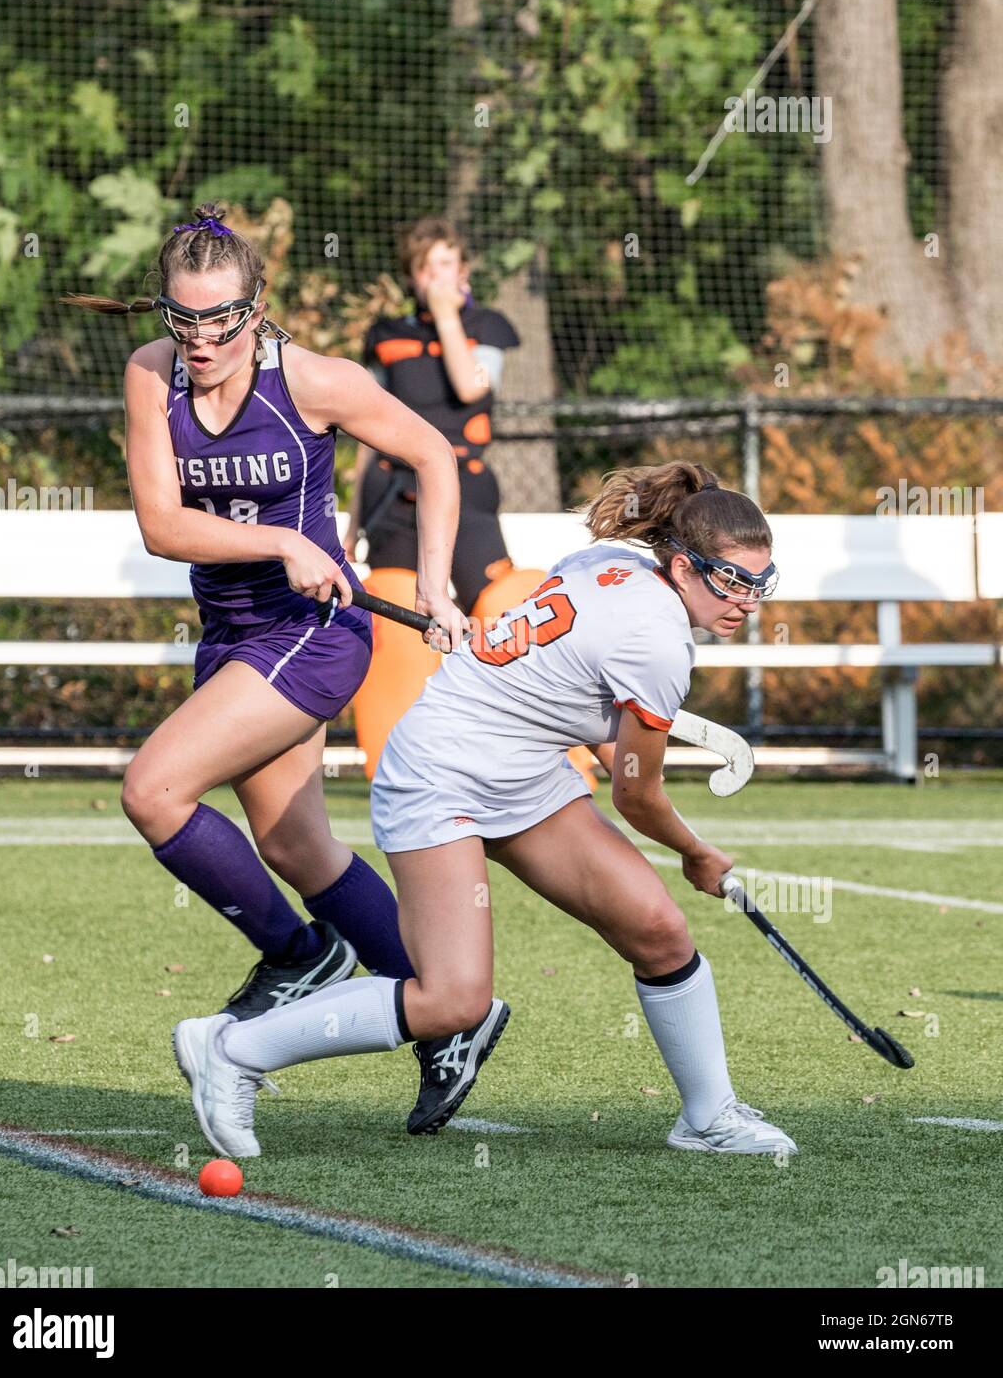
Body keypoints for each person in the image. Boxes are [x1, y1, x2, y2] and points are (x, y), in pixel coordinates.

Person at [174, 461, 798, 1159]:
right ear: (683, 567)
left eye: (757, 582)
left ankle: (708, 1117)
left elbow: (576, 701)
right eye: (730, 580)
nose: (745, 600)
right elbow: (635, 794)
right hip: (439, 770)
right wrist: (695, 852)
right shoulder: (660, 643)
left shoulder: (605, 564)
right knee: (454, 1001)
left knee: (655, 928)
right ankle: (231, 1050)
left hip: (522, 768)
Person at [62, 201, 509, 1139]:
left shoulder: (313, 380)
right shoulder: (153, 377)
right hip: (230, 632)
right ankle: (452, 1019)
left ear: (257, 308)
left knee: (154, 790)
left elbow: (433, 453)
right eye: (182, 318)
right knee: (298, 848)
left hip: (314, 632)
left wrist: (434, 584)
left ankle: (303, 956)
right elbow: (161, 522)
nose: (202, 338)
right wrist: (273, 537)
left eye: (221, 318)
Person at [343, 217, 520, 614]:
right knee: (398, 613)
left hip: (466, 485)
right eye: (425, 267)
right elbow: (368, 428)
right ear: (410, 277)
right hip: (394, 491)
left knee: (497, 608)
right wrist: (352, 526)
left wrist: (446, 317)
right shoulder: (386, 334)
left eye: (444, 264)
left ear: (463, 271)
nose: (435, 275)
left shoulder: (487, 327)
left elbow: (471, 385)